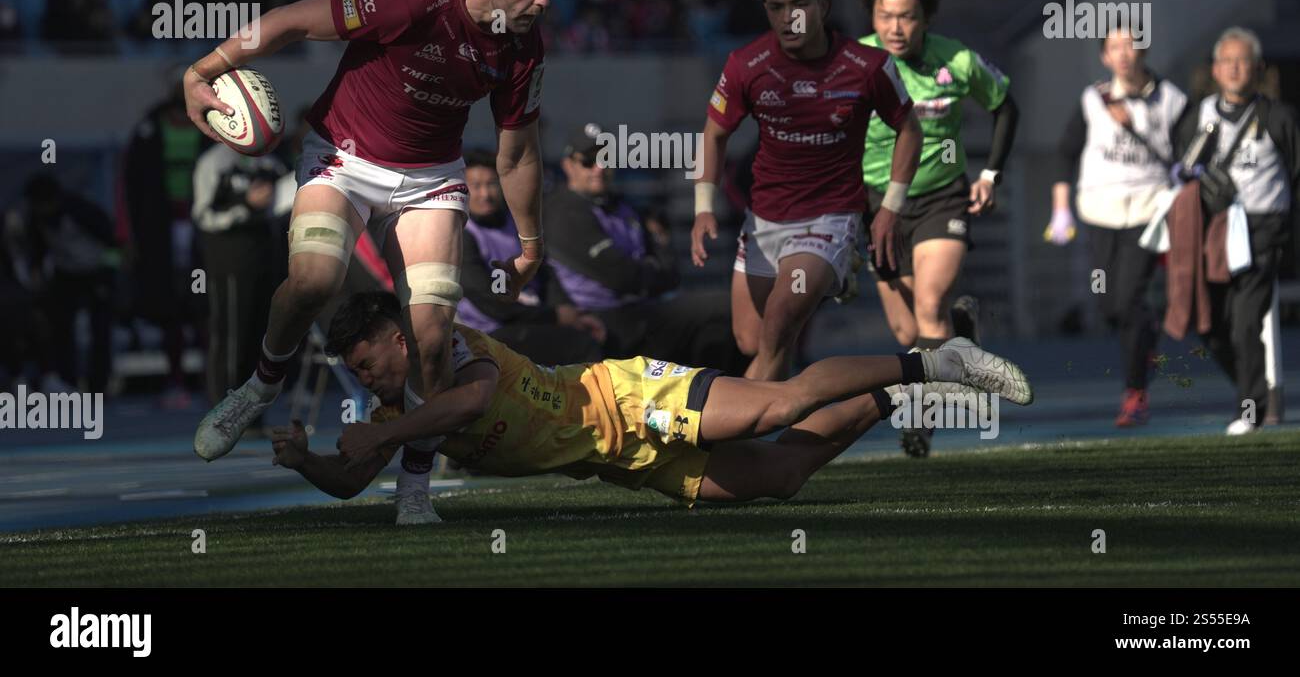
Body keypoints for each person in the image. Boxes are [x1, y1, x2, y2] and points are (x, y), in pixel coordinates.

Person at [191, 0, 566, 463]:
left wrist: (531, 246)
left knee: (432, 338)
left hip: (430, 180)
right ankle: (260, 387)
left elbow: (518, 155)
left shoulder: (523, 46)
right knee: (314, 281)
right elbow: (291, 21)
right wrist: (203, 70)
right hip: (343, 158)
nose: (544, 0)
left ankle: (415, 484)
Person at [269, 291, 1032, 508]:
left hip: (628, 398)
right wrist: (307, 462)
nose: (364, 379)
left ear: (398, 340)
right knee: (782, 476)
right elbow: (349, 483)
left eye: (366, 363)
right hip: (624, 461)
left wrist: (382, 437)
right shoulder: (398, 416)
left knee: (777, 406)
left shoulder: (456, 349)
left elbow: (472, 404)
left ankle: (937, 359)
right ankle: (898, 393)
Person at [691, 0, 922, 382]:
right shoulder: (746, 65)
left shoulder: (868, 65)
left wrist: (890, 209)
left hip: (828, 219)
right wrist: (704, 207)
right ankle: (797, 405)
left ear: (824, 6)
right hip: (763, 222)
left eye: (799, 5)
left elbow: (909, 130)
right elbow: (714, 135)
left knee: (779, 328)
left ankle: (732, 429)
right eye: (776, 7)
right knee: (750, 341)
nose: (788, 18)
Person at [857, 0, 1019, 457]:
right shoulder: (853, 62)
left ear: (926, 17)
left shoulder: (958, 60)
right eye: (885, 16)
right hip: (878, 206)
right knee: (908, 331)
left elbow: (1005, 106)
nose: (895, 28)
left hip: (941, 199)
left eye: (907, 16)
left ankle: (922, 419)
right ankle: (961, 333)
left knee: (929, 306)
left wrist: (990, 175)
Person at [1045, 27, 1188, 427]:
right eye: (1114, 47)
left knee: (1128, 298)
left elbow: (1187, 157)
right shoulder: (1093, 99)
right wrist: (1061, 210)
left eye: (1130, 45)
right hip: (1100, 211)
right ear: (1104, 57)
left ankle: (1135, 393)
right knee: (1109, 303)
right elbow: (1065, 153)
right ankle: (1148, 332)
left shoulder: (1171, 99)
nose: (1123, 53)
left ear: (1144, 50)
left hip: (1148, 208)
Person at [1171, 27, 1299, 434]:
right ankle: (1250, 388)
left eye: (1242, 61)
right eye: (1226, 61)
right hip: (1214, 230)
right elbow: (1178, 168)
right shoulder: (1199, 115)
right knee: (1209, 324)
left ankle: (1251, 409)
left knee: (1246, 321)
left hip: (1263, 229)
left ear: (1258, 68)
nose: (1234, 69)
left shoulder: (1279, 116)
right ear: (1214, 69)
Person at [545, 124, 745, 374]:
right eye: (588, 161)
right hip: (603, 320)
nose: (599, 168)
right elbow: (622, 277)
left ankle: (716, 392)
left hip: (643, 310)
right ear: (568, 165)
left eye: (607, 158)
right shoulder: (563, 211)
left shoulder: (625, 206)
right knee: (725, 305)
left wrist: (653, 268)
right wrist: (654, 268)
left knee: (718, 331)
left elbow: (671, 273)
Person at [459, 148, 606, 366]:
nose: (485, 194)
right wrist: (555, 316)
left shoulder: (517, 225)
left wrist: (571, 313)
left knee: (599, 333)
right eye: (476, 186)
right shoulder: (463, 235)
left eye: (491, 184)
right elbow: (492, 304)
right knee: (581, 346)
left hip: (532, 319)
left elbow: (545, 275)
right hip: (492, 332)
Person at [123, 68, 207, 408]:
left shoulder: (209, 128)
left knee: (203, 305)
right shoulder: (149, 130)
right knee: (170, 307)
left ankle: (212, 380)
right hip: (162, 232)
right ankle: (175, 380)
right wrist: (131, 235)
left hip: (201, 226)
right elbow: (130, 186)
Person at [192, 141, 289, 407]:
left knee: (260, 339)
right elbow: (203, 215)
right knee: (230, 336)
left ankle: (252, 409)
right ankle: (222, 406)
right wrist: (246, 205)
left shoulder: (269, 161)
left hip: (265, 262)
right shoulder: (214, 162)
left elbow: (284, 198)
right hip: (229, 265)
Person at [3, 174, 119, 394]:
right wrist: (36, 270)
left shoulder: (80, 211)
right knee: (61, 327)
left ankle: (99, 385)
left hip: (96, 271)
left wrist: (109, 273)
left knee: (100, 329)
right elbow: (38, 247)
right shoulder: (38, 218)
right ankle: (67, 380)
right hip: (66, 274)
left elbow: (111, 240)